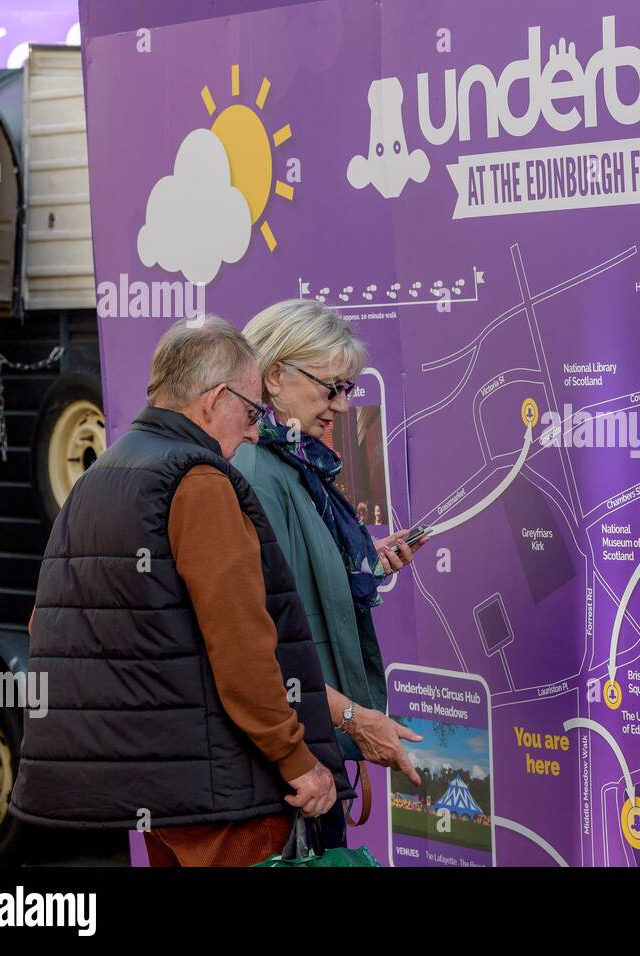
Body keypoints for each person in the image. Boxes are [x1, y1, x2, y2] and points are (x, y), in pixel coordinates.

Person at [9, 316, 353, 866]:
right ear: (216, 400)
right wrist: (297, 762)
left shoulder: (98, 477)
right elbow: (242, 649)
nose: (249, 433)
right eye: (249, 413)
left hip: (157, 800)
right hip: (224, 797)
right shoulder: (199, 480)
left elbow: (46, 627)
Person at [233, 298, 427, 848]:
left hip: (300, 751)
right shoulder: (258, 469)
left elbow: (297, 588)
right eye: (331, 387)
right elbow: (261, 635)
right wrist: (350, 719)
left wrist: (361, 562)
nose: (342, 408)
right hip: (288, 769)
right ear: (274, 377)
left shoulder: (291, 464)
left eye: (349, 390)